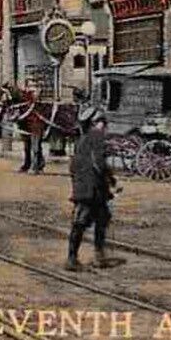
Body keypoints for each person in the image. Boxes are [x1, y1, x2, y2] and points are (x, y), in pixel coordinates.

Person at [66, 106, 120, 271]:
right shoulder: (96, 137)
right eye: (103, 122)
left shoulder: (82, 139)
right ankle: (72, 259)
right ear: (96, 123)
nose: (105, 126)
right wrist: (112, 180)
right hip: (92, 189)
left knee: (101, 219)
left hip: (87, 187)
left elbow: (73, 165)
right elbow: (99, 163)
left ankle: (98, 256)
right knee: (81, 222)